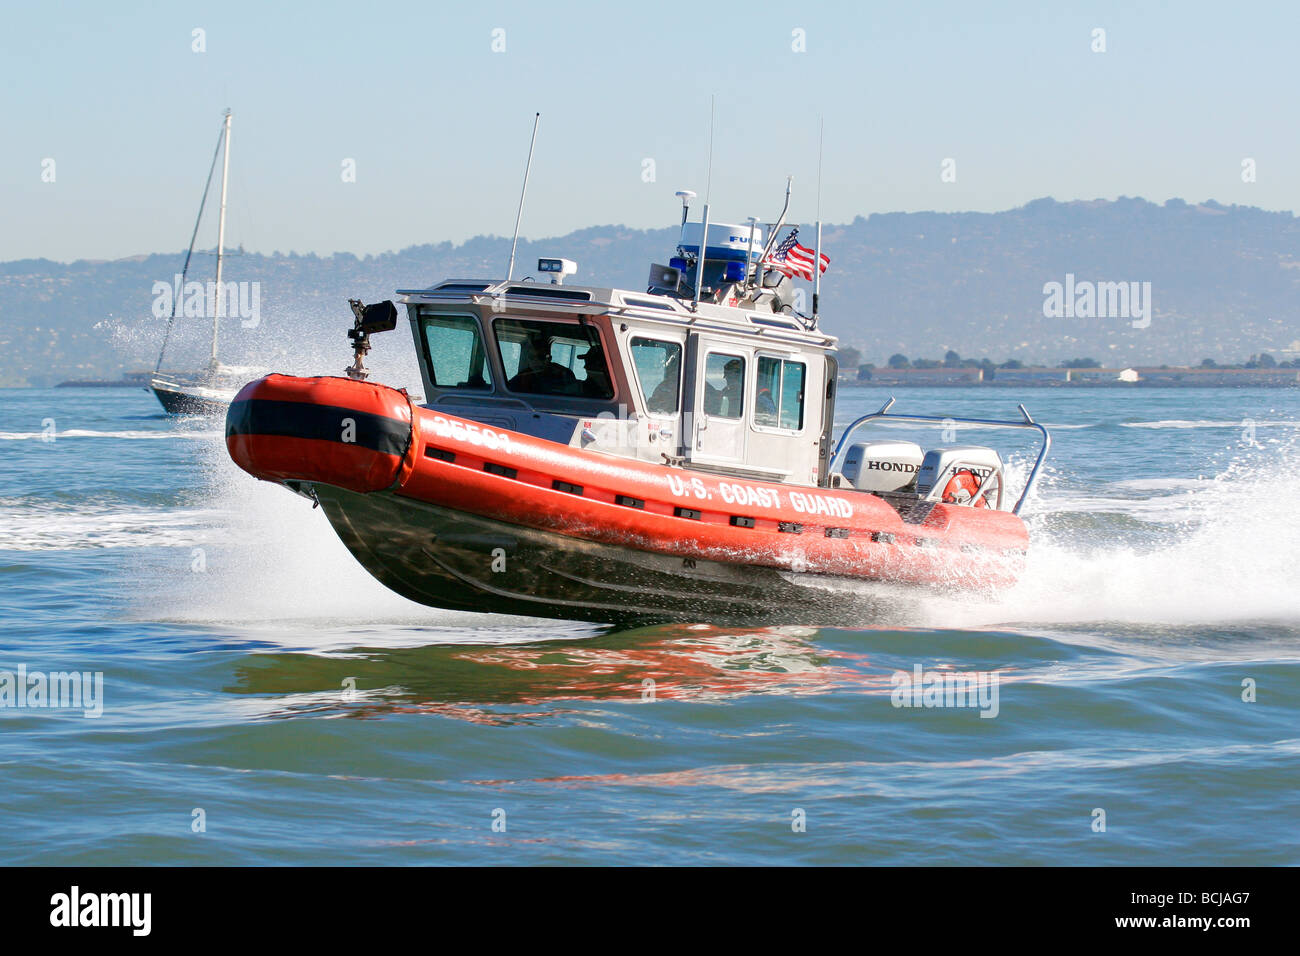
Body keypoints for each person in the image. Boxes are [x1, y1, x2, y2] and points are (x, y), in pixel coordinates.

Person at [508, 333, 577, 394]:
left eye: (541, 357)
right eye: (531, 357)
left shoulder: (564, 375)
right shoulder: (521, 379)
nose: (536, 361)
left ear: (549, 359)